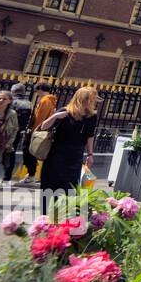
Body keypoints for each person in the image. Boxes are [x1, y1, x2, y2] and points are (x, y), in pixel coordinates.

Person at [39, 86, 100, 215]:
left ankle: (62, 218)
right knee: (51, 186)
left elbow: (90, 136)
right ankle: (45, 217)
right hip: (56, 155)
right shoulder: (65, 112)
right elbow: (43, 127)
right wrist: (55, 116)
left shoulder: (91, 116)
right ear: (82, 99)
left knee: (69, 189)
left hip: (75, 157)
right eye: (91, 99)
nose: (93, 102)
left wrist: (90, 154)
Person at [24, 85, 58, 185]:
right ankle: (31, 175)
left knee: (29, 151)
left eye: (37, 91)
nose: (36, 93)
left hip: (37, 131)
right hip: (42, 131)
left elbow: (40, 118)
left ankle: (31, 176)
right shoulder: (50, 101)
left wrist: (33, 130)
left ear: (40, 90)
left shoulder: (45, 101)